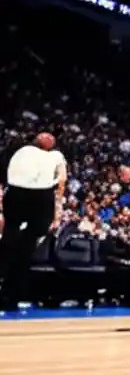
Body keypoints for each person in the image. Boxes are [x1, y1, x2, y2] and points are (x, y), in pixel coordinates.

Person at [0, 132, 67, 312]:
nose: (47, 137)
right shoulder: (22, 149)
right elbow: (62, 180)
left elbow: (62, 180)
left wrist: (58, 206)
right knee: (17, 244)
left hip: (25, 194)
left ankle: (10, 293)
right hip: (33, 195)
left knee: (16, 244)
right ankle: (10, 291)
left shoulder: (52, 155)